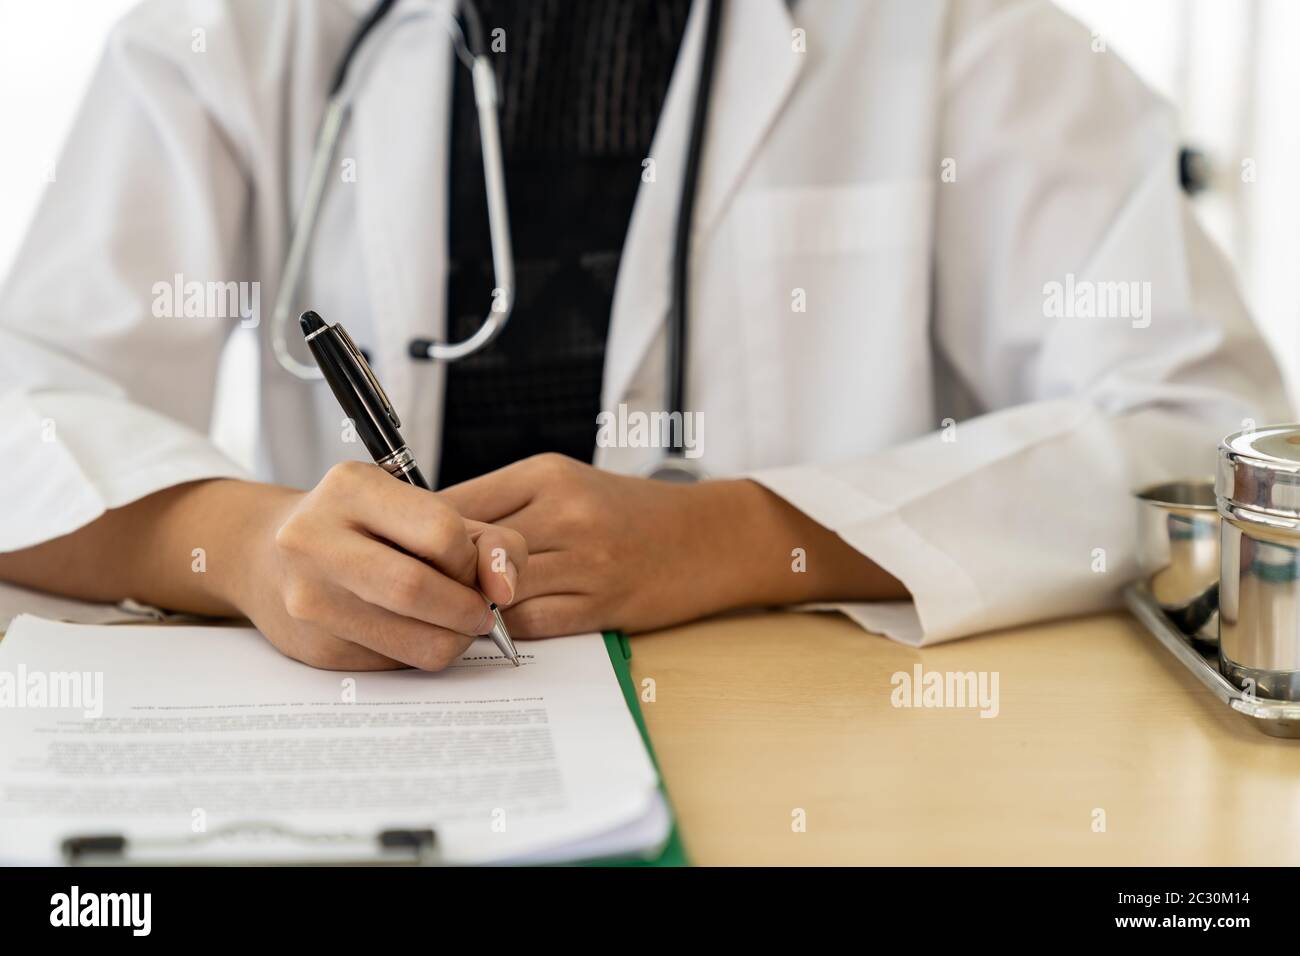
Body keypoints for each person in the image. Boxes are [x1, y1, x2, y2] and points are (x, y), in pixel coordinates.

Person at [0, 0, 1288, 671]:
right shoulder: (240, 34)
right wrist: (242, 547)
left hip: (809, 761)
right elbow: (27, 405)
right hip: (378, 729)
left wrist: (743, 534)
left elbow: (1198, 425)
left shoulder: (957, 35)